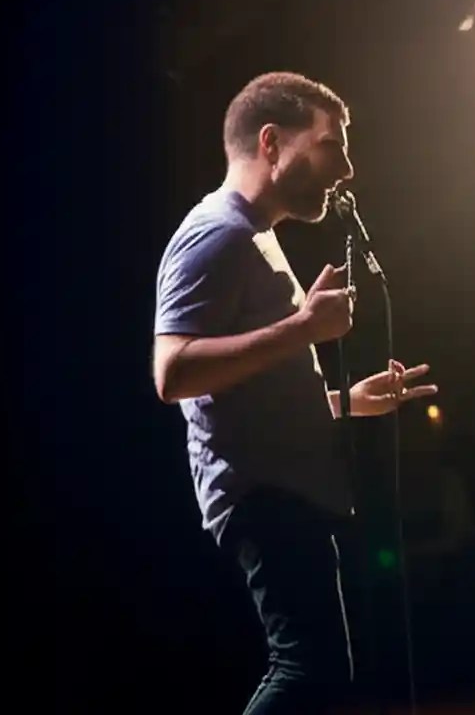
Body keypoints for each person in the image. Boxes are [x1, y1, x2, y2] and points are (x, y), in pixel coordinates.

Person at [152, 71, 437, 714]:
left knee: (319, 674)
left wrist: (346, 400)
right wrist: (304, 327)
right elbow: (174, 373)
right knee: (308, 672)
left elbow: (251, 391)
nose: (347, 170)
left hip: (285, 490)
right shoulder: (217, 232)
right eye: (331, 145)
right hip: (264, 494)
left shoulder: (254, 234)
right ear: (272, 142)